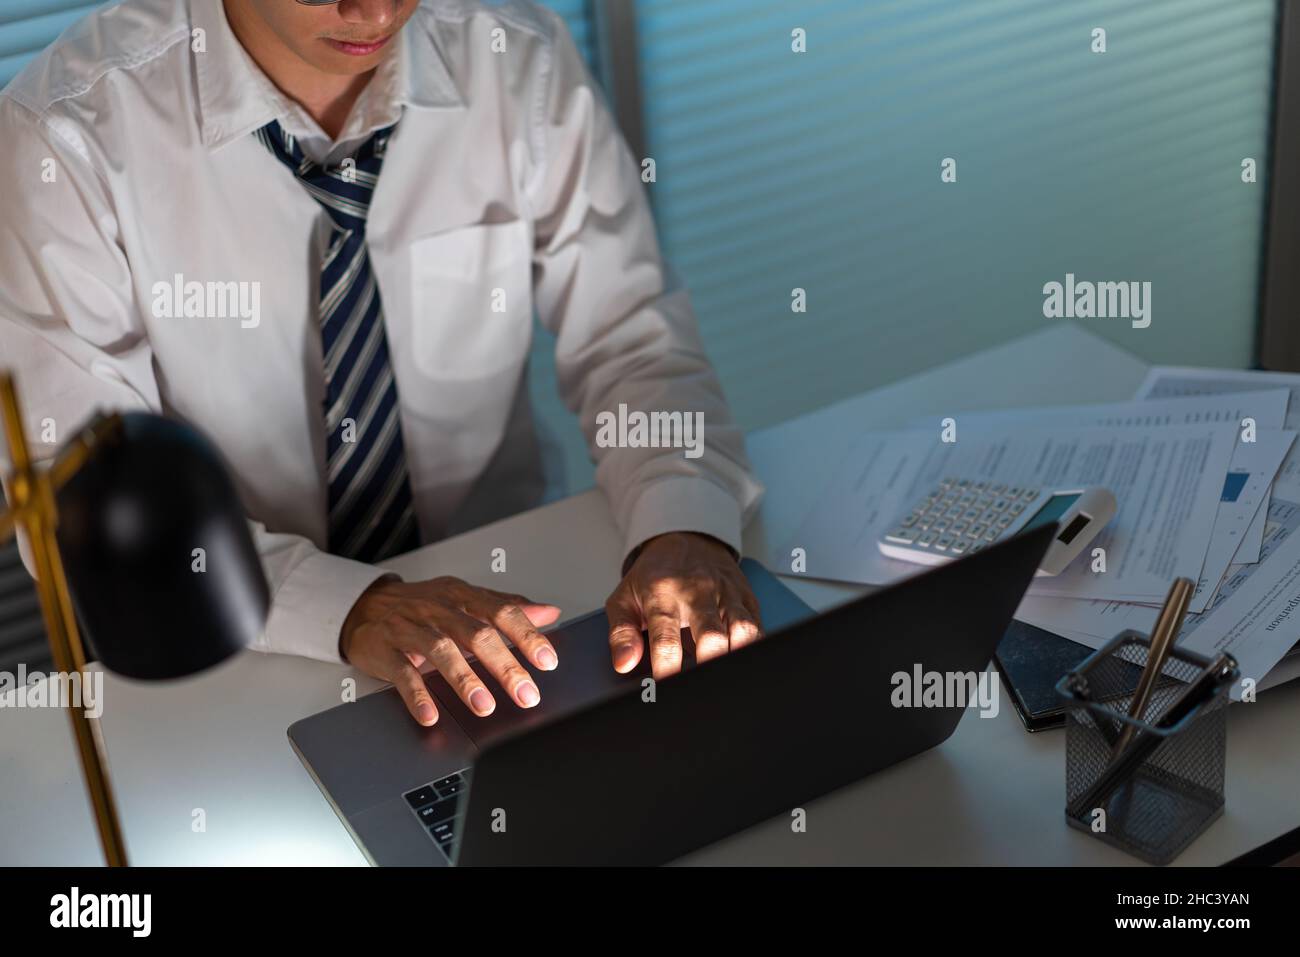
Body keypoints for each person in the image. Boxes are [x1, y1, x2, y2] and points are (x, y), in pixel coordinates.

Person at [0, 0, 764, 725]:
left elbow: (630, 337)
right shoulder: (65, 135)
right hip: (234, 660)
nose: (375, 13)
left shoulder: (515, 57)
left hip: (519, 608)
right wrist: (352, 604)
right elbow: (78, 495)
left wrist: (681, 523)